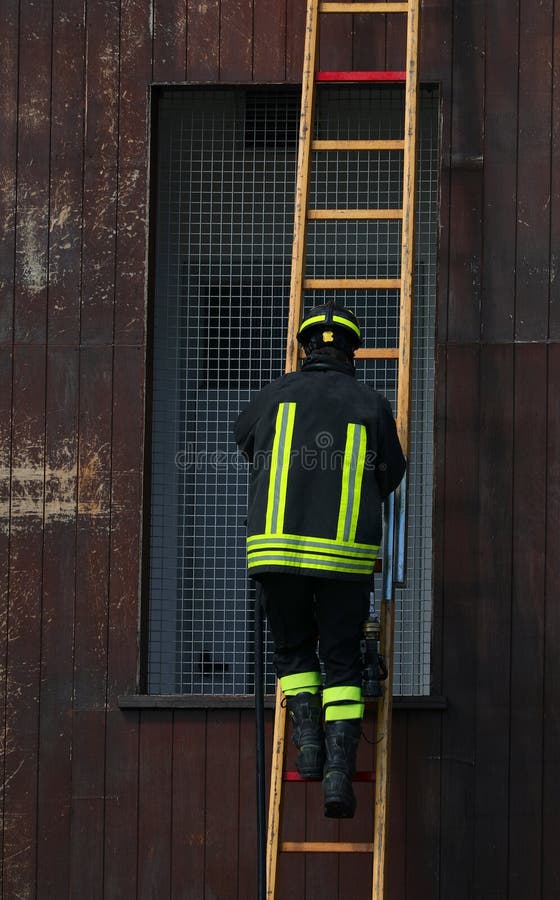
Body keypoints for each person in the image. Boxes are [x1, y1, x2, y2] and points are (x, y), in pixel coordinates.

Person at [234, 302, 406, 818]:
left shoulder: (275, 394)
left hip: (275, 554)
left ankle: (307, 749)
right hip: (345, 562)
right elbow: (392, 474)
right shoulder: (371, 403)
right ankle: (337, 775)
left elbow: (244, 441)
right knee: (342, 660)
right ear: (353, 352)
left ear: (306, 350)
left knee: (291, 649)